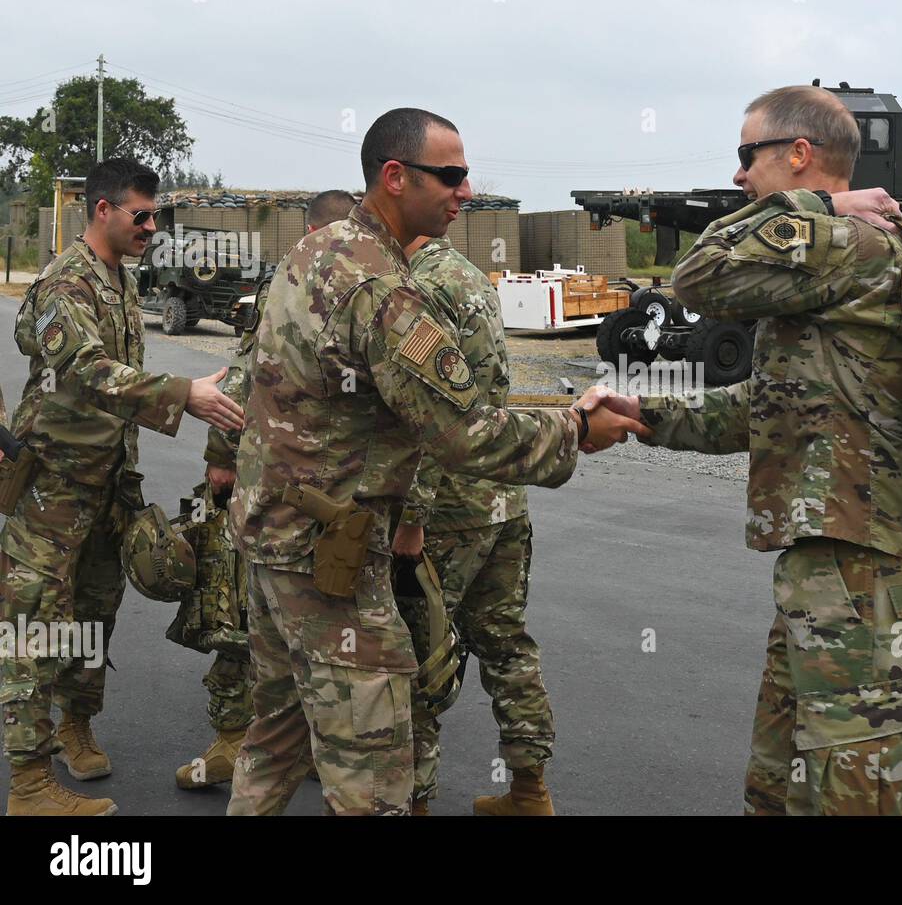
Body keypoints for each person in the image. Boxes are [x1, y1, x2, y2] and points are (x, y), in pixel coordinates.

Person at [225, 108, 646, 815]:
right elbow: (463, 433)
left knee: (274, 740)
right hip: (329, 567)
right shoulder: (381, 290)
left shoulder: (312, 253)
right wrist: (576, 426)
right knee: (375, 777)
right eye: (450, 176)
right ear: (395, 177)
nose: (467, 190)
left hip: (271, 542)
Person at [580, 85, 902, 815]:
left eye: (748, 155)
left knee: (854, 776)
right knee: (784, 771)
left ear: (800, 155)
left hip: (859, 558)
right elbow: (771, 408)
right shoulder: (829, 257)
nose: (740, 176)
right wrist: (644, 410)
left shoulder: (847, 241)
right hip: (833, 558)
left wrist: (812, 208)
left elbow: (696, 275)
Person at [1, 158, 244, 816]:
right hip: (53, 488)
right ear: (102, 210)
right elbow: (82, 369)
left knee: (94, 614)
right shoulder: (64, 283)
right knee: (33, 628)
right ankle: (28, 786)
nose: (152, 226)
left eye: (156, 215)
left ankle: (76, 727)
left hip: (108, 482)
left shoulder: (117, 279)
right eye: (141, 215)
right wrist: (181, 394)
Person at [177, 189, 356, 791]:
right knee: (332, 618)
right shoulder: (379, 284)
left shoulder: (293, 280)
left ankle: (238, 741)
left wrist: (220, 460)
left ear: (308, 229)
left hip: (271, 486)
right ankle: (311, 742)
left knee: (238, 607)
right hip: (342, 500)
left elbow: (250, 376)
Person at [394, 233, 555, 815]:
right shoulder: (467, 276)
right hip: (503, 496)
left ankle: (413, 801)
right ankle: (529, 789)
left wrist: (411, 516)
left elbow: (431, 417)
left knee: (418, 658)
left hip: (449, 510)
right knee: (507, 645)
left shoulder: (420, 285)